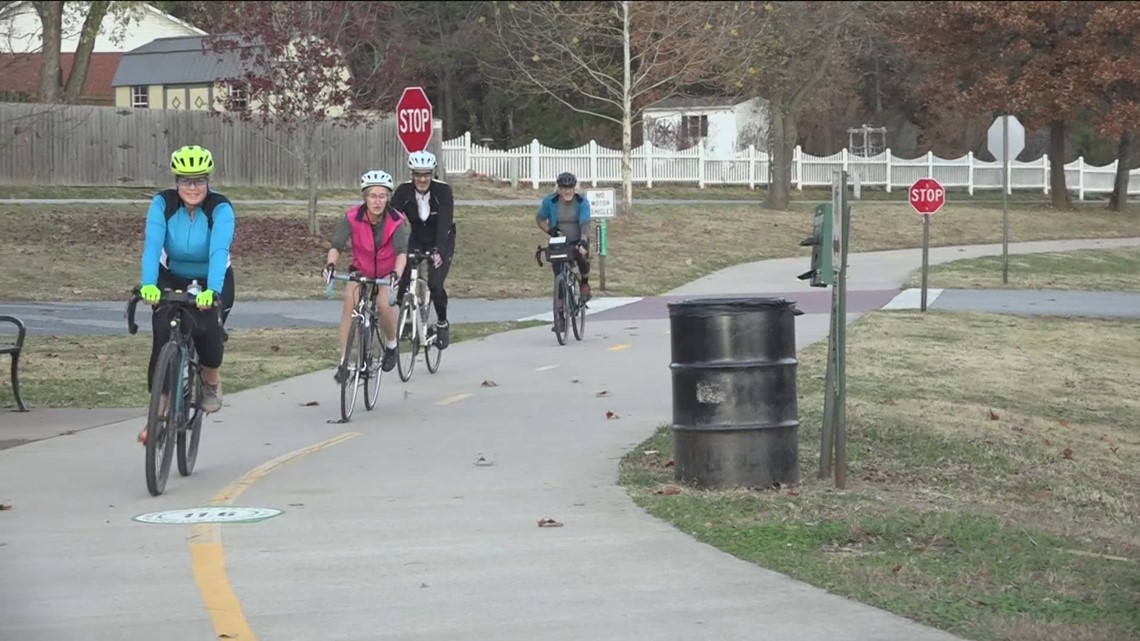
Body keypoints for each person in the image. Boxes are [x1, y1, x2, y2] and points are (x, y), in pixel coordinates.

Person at [137, 144, 236, 444]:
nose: (192, 188)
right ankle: (159, 415)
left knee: (207, 328)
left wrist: (213, 291)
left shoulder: (220, 208)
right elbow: (152, 246)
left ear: (208, 181)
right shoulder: (162, 204)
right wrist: (148, 284)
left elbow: (219, 251)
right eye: (185, 181)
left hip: (211, 277)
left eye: (199, 181)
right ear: (176, 180)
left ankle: (210, 381)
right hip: (172, 274)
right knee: (162, 331)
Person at [323, 169, 409, 382]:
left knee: (383, 305)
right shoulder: (352, 217)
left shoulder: (396, 220)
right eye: (372, 196)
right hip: (360, 271)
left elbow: (401, 253)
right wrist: (331, 265)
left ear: (388, 197)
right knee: (349, 304)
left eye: (382, 196)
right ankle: (345, 362)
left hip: (387, 274)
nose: (377, 201)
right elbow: (337, 245)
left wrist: (396, 275)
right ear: (365, 197)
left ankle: (391, 344)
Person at [390, 150, 456, 350]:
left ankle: (442, 323)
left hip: (442, 239)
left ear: (432, 173)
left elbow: (445, 222)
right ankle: (406, 319)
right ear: (412, 174)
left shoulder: (443, 191)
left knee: (435, 284)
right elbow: (392, 220)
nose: (422, 179)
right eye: (418, 174)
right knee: (402, 276)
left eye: (426, 174)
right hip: (417, 238)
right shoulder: (403, 192)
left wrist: (438, 250)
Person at [536, 171, 592, 309]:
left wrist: (583, 241)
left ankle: (584, 283)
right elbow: (540, 219)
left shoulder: (582, 202)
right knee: (558, 274)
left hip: (578, 239)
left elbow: (585, 223)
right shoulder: (550, 201)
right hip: (559, 242)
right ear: (559, 189)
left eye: (570, 188)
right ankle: (560, 313)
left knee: (582, 258)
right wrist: (550, 230)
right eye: (564, 188)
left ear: (574, 188)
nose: (567, 191)